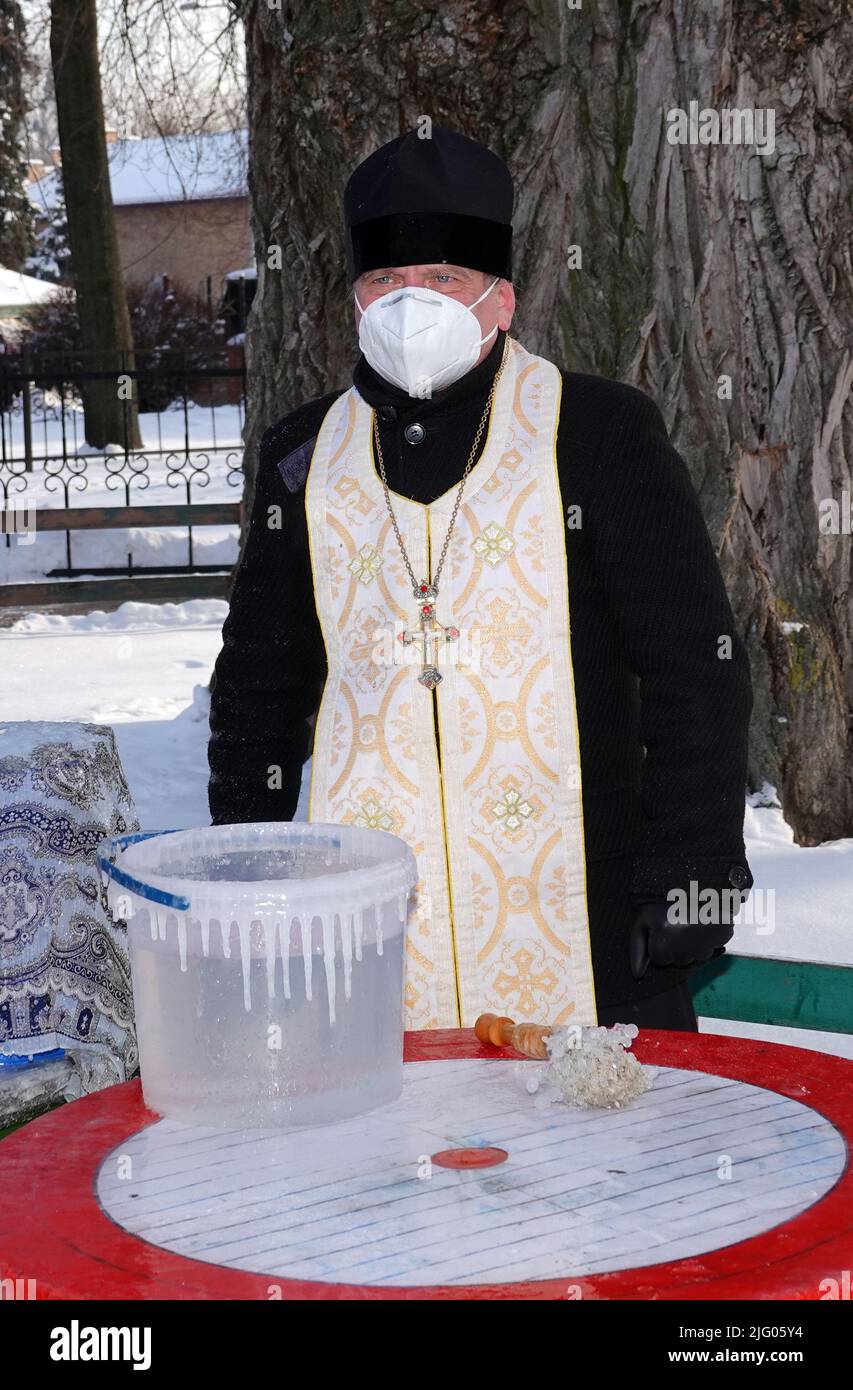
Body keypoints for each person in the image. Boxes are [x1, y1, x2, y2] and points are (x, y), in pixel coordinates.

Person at [208, 125, 754, 1033]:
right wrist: (247, 867)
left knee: (616, 1166)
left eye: (440, 281)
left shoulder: (597, 432)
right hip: (366, 923)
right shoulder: (302, 455)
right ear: (352, 299)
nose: (406, 304)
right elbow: (259, 684)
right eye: (383, 282)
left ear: (500, 298)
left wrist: (691, 870)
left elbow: (696, 668)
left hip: (590, 914)